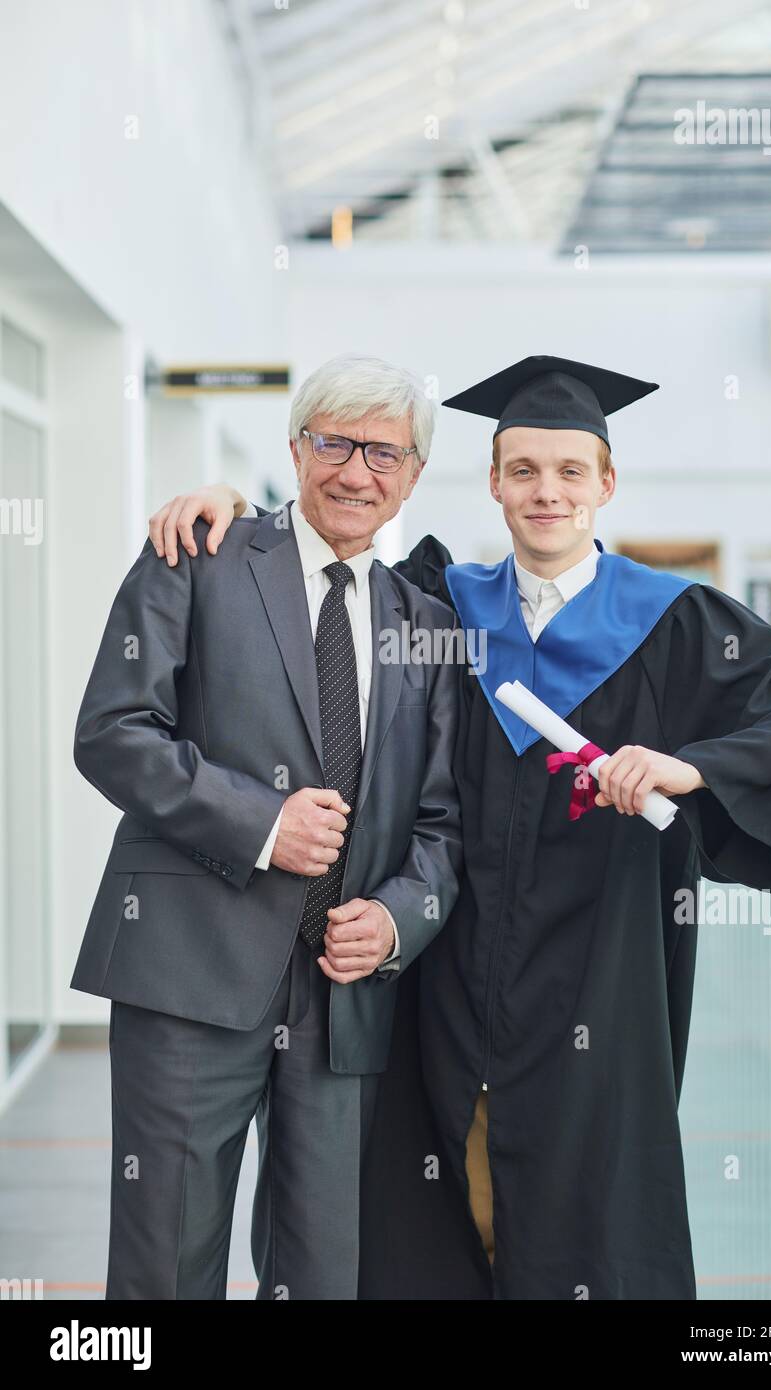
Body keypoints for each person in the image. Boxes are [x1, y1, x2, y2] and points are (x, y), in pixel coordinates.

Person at [149, 354, 771, 1300]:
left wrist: (687, 764)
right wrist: (231, 503)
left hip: (600, 972)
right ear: (493, 483)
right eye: (523, 470)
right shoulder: (442, 603)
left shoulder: (675, 622)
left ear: (607, 482)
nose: (546, 492)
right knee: (431, 1204)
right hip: (445, 968)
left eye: (570, 472)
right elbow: (319, 567)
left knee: (583, 1210)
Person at [70, 353, 463, 1300]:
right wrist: (260, 825)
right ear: (296, 448)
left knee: (321, 1273)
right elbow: (112, 734)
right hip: (190, 974)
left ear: (412, 475)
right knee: (167, 1262)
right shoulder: (199, 556)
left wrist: (401, 919)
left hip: (340, 1000)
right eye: (334, 443)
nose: (356, 472)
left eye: (383, 452)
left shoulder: (428, 623)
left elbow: (446, 824)